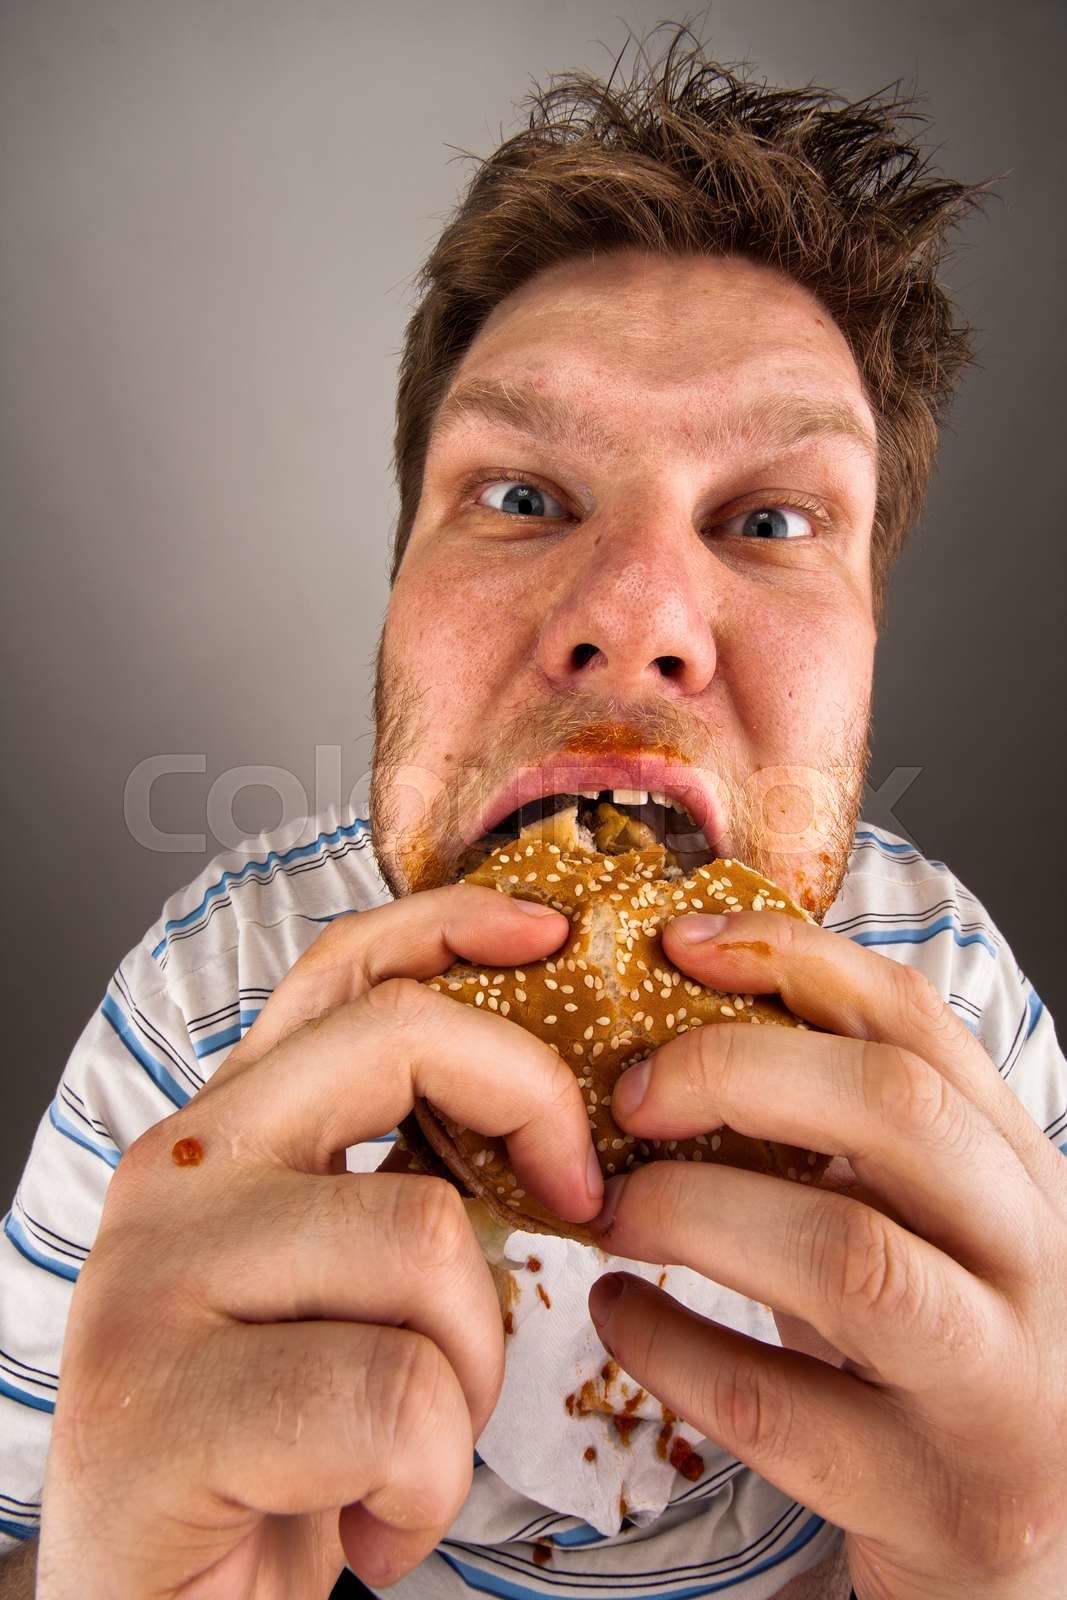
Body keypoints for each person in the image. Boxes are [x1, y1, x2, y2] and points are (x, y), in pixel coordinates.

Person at [2, 22, 1065, 1600]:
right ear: (395, 590)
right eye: (520, 497)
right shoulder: (201, 1017)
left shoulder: (960, 1029)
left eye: (770, 520)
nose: (636, 618)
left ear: (872, 637)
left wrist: (1021, 1565)